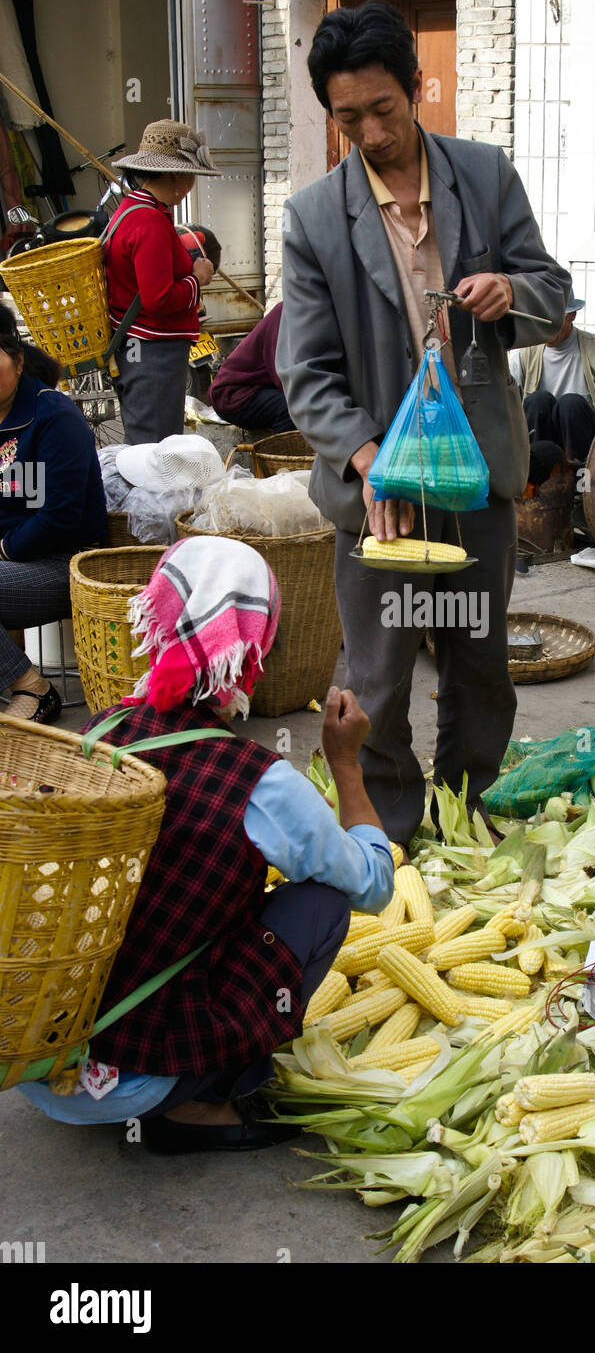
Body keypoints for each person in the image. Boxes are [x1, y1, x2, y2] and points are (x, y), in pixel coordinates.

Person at [277, 1, 571, 848]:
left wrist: (511, 293)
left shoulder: (482, 176)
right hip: (382, 492)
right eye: (348, 118)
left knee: (482, 667)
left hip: (476, 470)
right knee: (381, 676)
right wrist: (371, 463)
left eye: (384, 110)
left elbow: (551, 287)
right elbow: (308, 373)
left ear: (416, 89)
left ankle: (467, 815)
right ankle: (391, 833)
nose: (370, 131)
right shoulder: (315, 220)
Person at [17, 536, 394, 1153]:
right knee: (322, 901)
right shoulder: (262, 783)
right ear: (255, 649)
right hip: (146, 1076)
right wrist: (345, 764)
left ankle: (120, 1073)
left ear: (154, 617)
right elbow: (374, 885)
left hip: (44, 1059)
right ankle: (200, 1103)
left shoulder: (96, 733)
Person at [0, 305, 107, 724]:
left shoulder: (54, 417)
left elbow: (60, 516)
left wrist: (5, 549)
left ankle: (34, 688)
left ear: (18, 358)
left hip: (65, 562)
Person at [104, 121, 221, 446]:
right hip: (151, 352)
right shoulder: (149, 220)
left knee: (151, 445)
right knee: (153, 450)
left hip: (143, 348)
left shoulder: (136, 209)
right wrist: (198, 279)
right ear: (175, 176)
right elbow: (158, 298)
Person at [509, 294, 595, 466]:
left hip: (584, 449)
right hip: (542, 448)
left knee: (570, 404)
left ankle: (580, 483)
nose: (545, 330)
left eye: (552, 322)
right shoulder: (525, 354)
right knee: (538, 401)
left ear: (571, 316)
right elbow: (507, 408)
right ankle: (534, 479)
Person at [209, 303, 296, 438]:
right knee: (291, 408)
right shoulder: (286, 314)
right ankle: (283, 456)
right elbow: (282, 371)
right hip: (232, 394)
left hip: (259, 388)